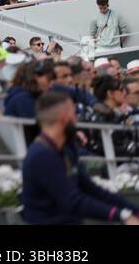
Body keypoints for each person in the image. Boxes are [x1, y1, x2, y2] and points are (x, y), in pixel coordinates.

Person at [20, 90, 139, 224]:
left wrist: (133, 211)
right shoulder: (41, 155)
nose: (76, 119)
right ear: (64, 117)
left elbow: (91, 189)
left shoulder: (66, 148)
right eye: (73, 113)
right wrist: (122, 215)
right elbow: (73, 201)